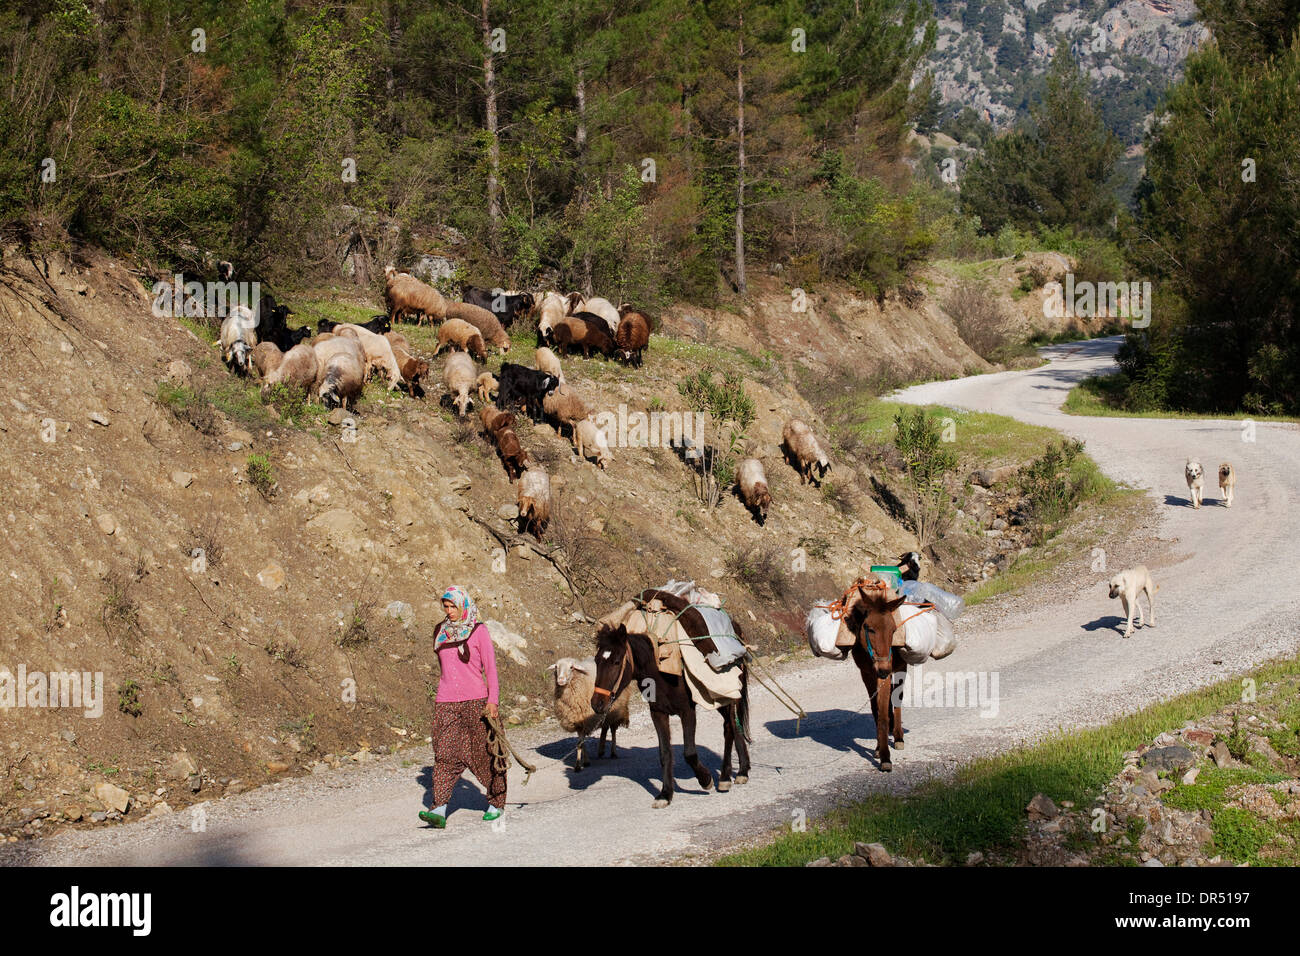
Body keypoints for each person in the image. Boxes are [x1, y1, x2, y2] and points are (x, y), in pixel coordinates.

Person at [418, 585, 506, 828]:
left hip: (476, 701)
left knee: (484, 753)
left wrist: (493, 700)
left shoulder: (479, 631)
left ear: (463, 605)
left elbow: (490, 668)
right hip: (446, 702)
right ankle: (439, 808)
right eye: (445, 606)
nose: (449, 611)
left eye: (453, 606)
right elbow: (445, 668)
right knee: (444, 754)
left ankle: (496, 802)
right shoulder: (440, 631)